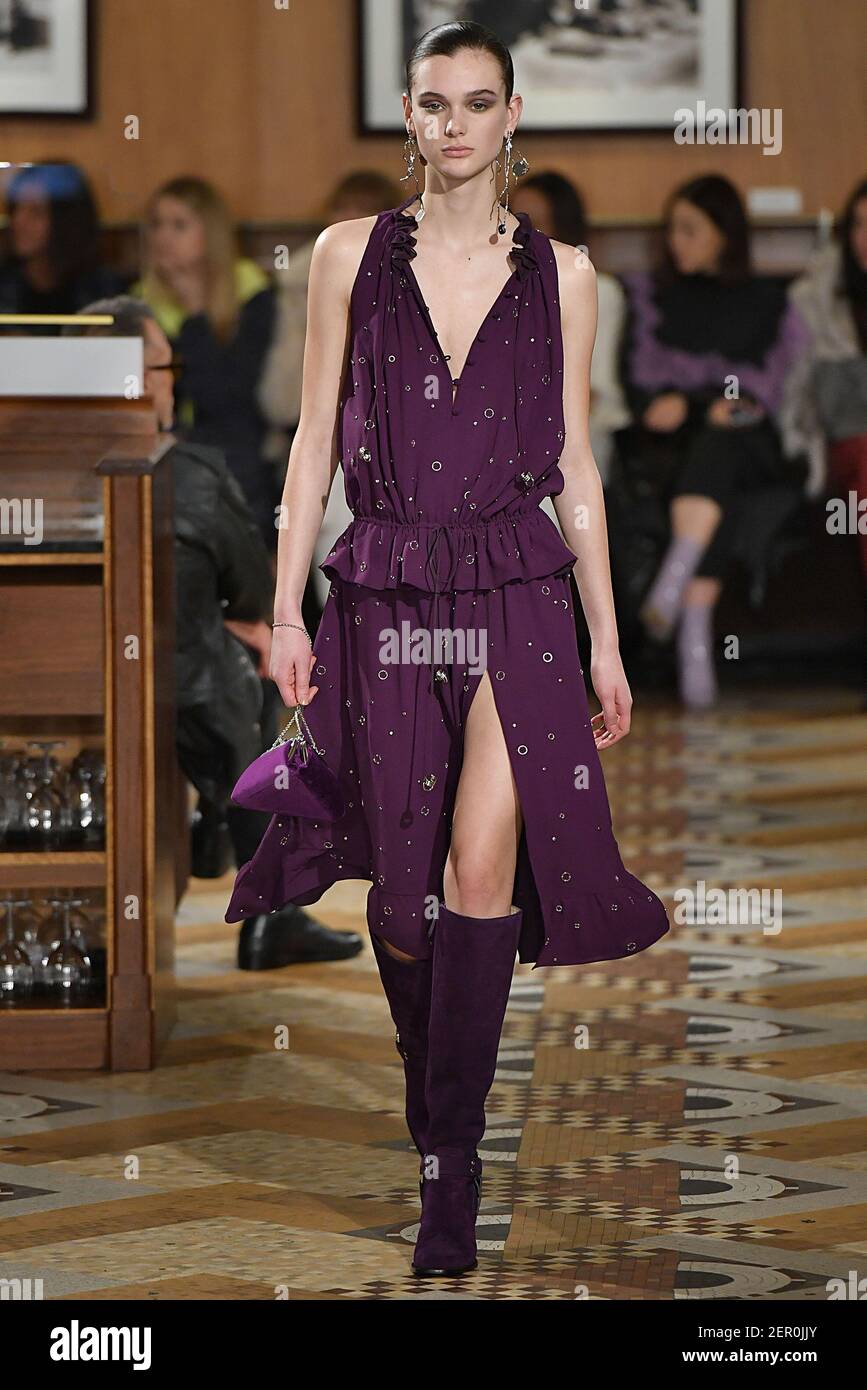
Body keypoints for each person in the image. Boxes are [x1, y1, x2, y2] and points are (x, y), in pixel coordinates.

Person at [224, 19, 670, 1276]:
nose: (458, 124)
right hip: (385, 586)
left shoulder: (567, 275)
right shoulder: (346, 258)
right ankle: (440, 1127)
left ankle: (451, 1172)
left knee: (482, 876)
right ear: (409, 119)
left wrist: (606, 638)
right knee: (404, 899)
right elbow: (312, 441)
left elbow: (577, 465)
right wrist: (290, 604)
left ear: (515, 114)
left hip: (519, 591)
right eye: (435, 103)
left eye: (481, 102)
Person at [65, 296, 362, 969]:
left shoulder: (36, 470)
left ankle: (219, 841)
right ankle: (270, 912)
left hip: (64, 689)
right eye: (163, 364)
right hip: (185, 700)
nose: (173, 379)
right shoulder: (188, 474)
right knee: (258, 680)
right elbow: (252, 587)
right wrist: (250, 623)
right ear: (133, 377)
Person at [620, 175, 813, 708]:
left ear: (723, 236)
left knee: (726, 439)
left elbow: (760, 398)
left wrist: (697, 404)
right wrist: (706, 407)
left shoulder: (764, 304)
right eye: (672, 230)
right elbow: (645, 398)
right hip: (678, 451)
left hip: (754, 446)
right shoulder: (653, 297)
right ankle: (693, 626)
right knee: (716, 448)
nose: (676, 242)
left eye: (690, 230)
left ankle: (675, 588)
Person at [257, 171, 402, 614]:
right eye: (336, 220)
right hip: (331, 449)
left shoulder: (419, 282)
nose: (345, 235)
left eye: (357, 220)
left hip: (405, 456)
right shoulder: (302, 286)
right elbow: (283, 400)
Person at [131, 178, 279, 546]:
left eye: (179, 225)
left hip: (237, 462)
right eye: (157, 224)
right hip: (164, 460)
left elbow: (230, 399)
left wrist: (195, 314)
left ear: (209, 234)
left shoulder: (252, 296)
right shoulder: (138, 303)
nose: (163, 237)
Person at [511, 172, 630, 489]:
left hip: (573, 434)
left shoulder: (598, 289)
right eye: (513, 220)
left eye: (536, 223)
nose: (521, 234)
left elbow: (592, 390)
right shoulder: (493, 288)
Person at [790, 177, 867, 586]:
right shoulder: (820, 302)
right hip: (841, 447)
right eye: (856, 225)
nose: (863, 238)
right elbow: (838, 412)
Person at [0, 162, 126, 333]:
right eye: (15, 209)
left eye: (36, 212)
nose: (18, 221)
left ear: (66, 220)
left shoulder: (103, 289)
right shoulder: (5, 284)